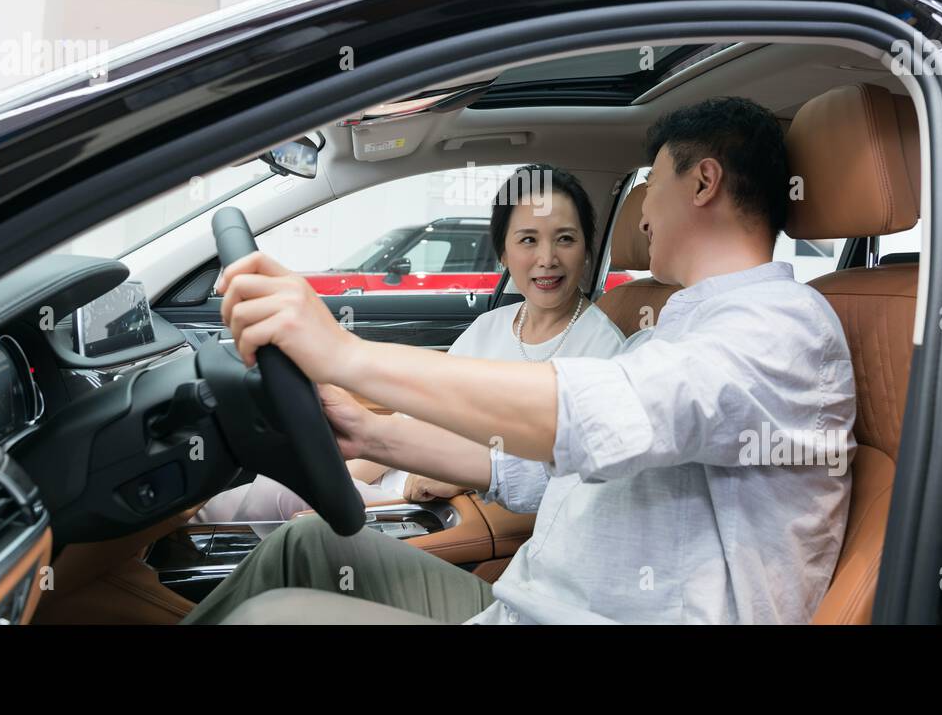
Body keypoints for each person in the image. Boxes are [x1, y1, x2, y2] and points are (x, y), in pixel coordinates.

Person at [183, 97, 856, 625]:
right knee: (306, 547)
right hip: (521, 603)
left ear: (703, 180)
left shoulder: (778, 328)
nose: (643, 213)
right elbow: (538, 471)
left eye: (652, 183)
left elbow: (596, 413)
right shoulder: (677, 329)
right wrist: (374, 432)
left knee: (271, 618)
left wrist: (346, 354)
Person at [189, 164, 625, 529]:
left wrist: (461, 479)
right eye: (528, 240)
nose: (547, 257)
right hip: (396, 485)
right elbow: (419, 411)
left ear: (587, 249)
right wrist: (345, 472)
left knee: (281, 500)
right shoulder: (492, 325)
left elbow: (566, 480)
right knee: (274, 487)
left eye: (565, 238)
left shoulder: (604, 351)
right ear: (504, 253)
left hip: (442, 514)